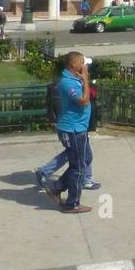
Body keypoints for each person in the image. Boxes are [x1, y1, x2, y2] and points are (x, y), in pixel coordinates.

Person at [48, 51, 94, 215]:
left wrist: (83, 79)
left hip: (79, 127)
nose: (85, 65)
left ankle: (57, 186)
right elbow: (84, 101)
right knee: (78, 167)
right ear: (74, 65)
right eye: (82, 62)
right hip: (72, 130)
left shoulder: (74, 79)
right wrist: (86, 79)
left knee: (86, 159)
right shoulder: (68, 83)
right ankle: (72, 203)